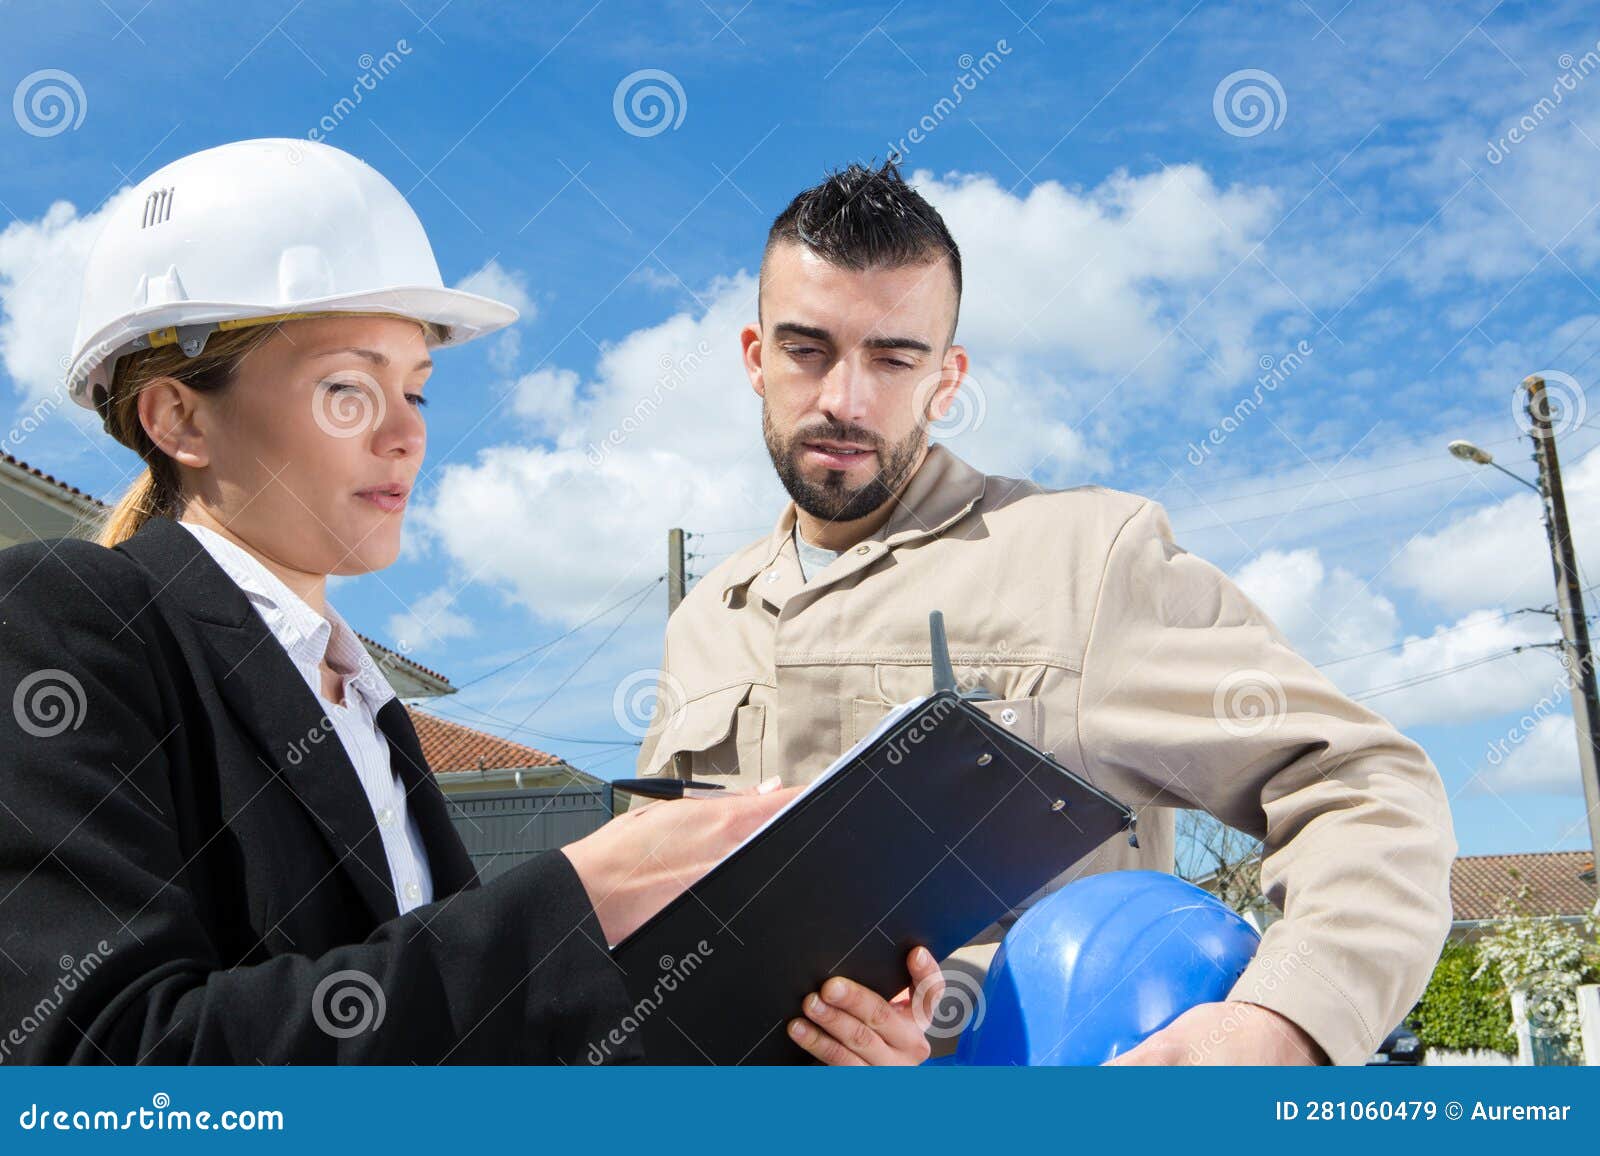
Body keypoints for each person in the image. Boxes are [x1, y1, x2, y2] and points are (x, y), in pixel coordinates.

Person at [0, 139, 939, 1065]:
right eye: (346, 389)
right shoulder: (69, 617)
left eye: (415, 389)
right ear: (181, 418)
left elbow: (451, 1044)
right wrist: (576, 895)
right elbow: (102, 1072)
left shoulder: (368, 716)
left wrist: (800, 1032)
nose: (407, 434)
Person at [634, 160, 1458, 1066]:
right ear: (757, 359)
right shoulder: (704, 621)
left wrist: (1278, 1027)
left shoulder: (1088, 563)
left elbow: (1368, 787)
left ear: (947, 380)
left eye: (894, 358)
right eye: (808, 350)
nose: (845, 399)